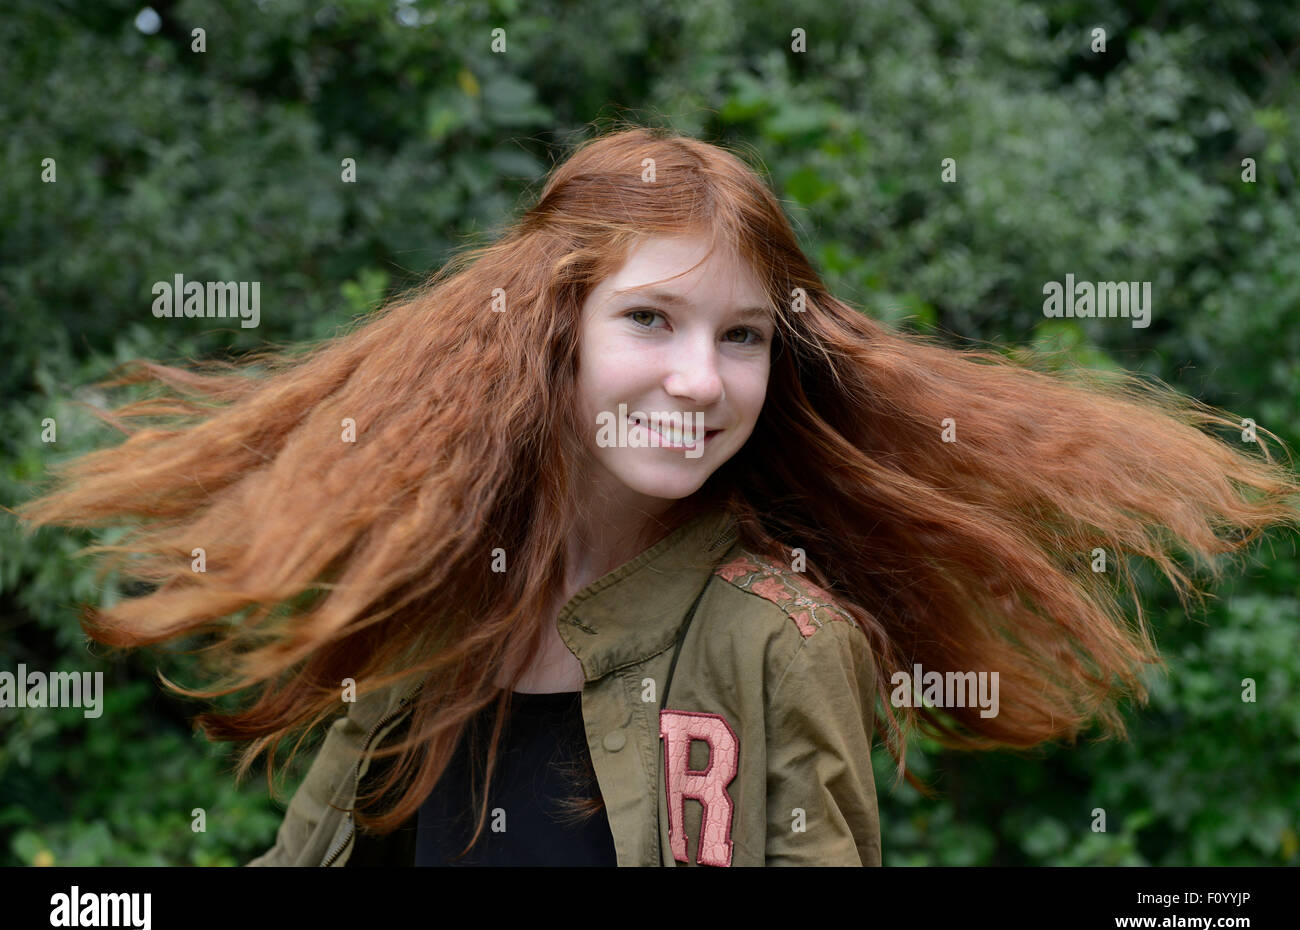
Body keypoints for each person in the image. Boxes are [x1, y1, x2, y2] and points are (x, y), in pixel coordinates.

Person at [15, 125, 1300, 867]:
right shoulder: (429, 605)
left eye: (743, 335)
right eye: (650, 318)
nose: (701, 378)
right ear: (550, 331)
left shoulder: (783, 639)